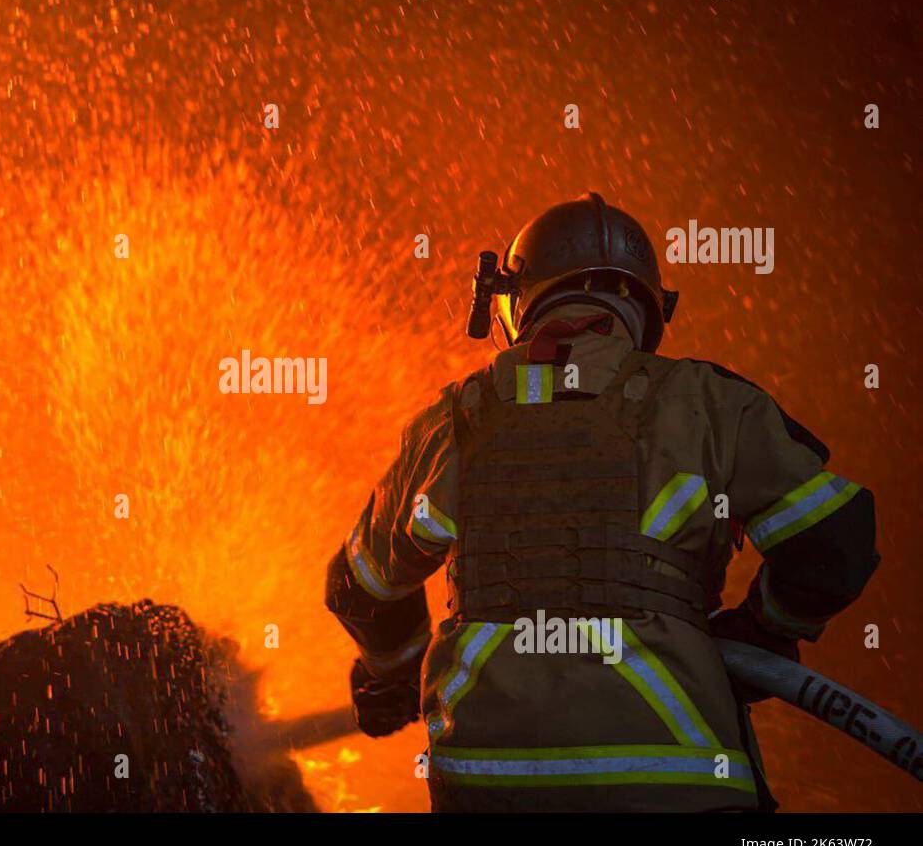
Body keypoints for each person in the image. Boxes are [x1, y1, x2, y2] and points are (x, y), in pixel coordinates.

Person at [326, 193, 879, 811]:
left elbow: (362, 585)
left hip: (489, 788)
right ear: (647, 306)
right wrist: (766, 632)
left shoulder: (456, 418)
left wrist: (393, 673)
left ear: (514, 303)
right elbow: (835, 540)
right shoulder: (707, 403)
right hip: (677, 785)